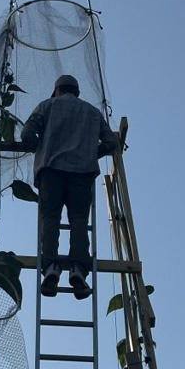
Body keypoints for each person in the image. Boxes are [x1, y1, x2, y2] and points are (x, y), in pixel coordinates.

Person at [21, 74, 118, 299]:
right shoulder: (92, 112)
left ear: (56, 90)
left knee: (51, 218)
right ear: (76, 92)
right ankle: (78, 269)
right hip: (82, 174)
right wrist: (90, 153)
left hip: (51, 170)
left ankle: (51, 268)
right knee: (79, 220)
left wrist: (41, 148)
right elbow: (111, 142)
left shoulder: (47, 105)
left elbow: (27, 134)